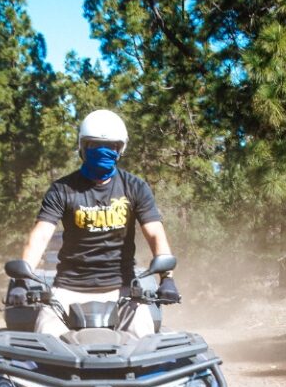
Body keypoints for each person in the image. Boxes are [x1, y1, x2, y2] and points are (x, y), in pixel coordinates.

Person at [10, 109, 178, 338]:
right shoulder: (62, 189)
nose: (102, 151)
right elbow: (40, 236)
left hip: (123, 290)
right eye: (94, 145)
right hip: (68, 289)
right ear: (82, 146)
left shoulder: (135, 187)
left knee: (145, 339)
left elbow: (155, 233)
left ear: (121, 149)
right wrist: (21, 280)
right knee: (46, 337)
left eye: (111, 146)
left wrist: (167, 278)